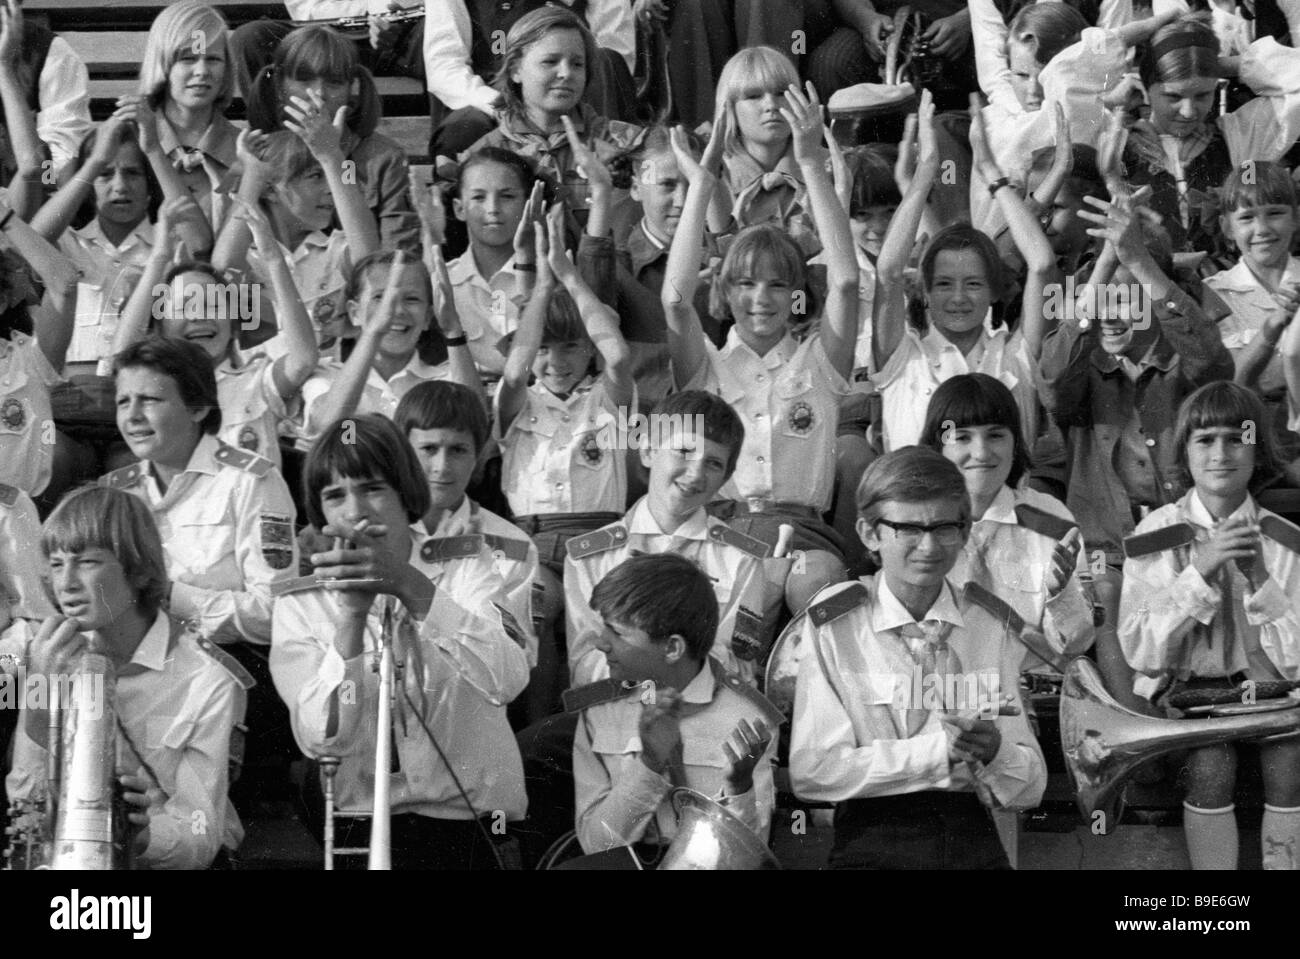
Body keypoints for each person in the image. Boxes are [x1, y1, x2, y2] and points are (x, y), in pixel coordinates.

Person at [271, 413, 528, 869]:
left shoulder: (466, 567)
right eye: (335, 496)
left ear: (405, 494)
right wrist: (350, 621)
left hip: (471, 825)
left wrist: (413, 588)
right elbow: (323, 741)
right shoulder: (302, 604)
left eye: (372, 488)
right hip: (364, 821)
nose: (355, 511)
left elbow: (507, 678)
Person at [790, 446, 1046, 869]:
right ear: (871, 534)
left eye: (944, 527)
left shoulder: (986, 623)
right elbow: (814, 771)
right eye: (908, 528)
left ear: (964, 533)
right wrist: (938, 752)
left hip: (970, 834)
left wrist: (996, 750)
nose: (928, 547)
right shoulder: (836, 623)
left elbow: (1030, 787)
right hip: (873, 835)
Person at [665, 83, 858, 616]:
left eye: (777, 285)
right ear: (724, 292)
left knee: (820, 588)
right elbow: (676, 301)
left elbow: (844, 283)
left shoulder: (819, 360)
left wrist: (811, 163)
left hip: (802, 534)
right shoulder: (707, 365)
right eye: (745, 284)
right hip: (721, 530)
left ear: (796, 295)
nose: (761, 299)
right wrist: (702, 185)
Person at [6, 485, 248, 869]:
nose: (66, 582)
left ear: (138, 570)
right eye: (55, 563)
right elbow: (25, 804)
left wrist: (145, 836)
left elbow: (201, 833)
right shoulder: (49, 657)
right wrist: (39, 690)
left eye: (87, 562)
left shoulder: (207, 680)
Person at [1119, 381, 1300, 870]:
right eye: (1205, 440)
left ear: (1256, 449)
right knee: (1209, 765)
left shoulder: (1284, 539)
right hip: (1192, 693)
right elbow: (1141, 646)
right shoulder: (1156, 533)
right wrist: (1199, 571)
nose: (1221, 453)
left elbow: (1297, 657)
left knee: (1291, 763)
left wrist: (1260, 578)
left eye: (1236, 438)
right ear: (1184, 451)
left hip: (1275, 692)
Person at [872, 93, 1053, 454]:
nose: (958, 298)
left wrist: (992, 175)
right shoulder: (903, 357)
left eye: (973, 284)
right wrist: (923, 175)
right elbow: (888, 272)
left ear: (995, 292)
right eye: (943, 284)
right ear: (924, 292)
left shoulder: (1014, 357)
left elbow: (1042, 264)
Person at [571, 551, 781, 861]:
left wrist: (740, 787)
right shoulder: (599, 711)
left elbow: (748, 854)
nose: (600, 643)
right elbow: (596, 844)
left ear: (672, 647)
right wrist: (650, 765)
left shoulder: (749, 716)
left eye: (617, 633)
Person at [102, 336, 298, 651]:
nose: (133, 415)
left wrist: (171, 596)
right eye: (123, 401)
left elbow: (276, 614)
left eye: (150, 399)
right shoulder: (112, 492)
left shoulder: (251, 481)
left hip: (223, 664)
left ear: (198, 408)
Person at [565, 390, 770, 688]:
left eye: (713, 463)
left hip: (701, 710)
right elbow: (586, 661)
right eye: (684, 452)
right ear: (648, 451)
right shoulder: (590, 556)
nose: (696, 473)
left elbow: (737, 661)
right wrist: (653, 673)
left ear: (726, 479)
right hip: (616, 709)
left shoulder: (739, 559)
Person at [110, 195, 319, 471]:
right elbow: (121, 355)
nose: (200, 316)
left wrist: (273, 259)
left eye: (213, 305)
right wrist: (160, 256)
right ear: (159, 326)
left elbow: (303, 358)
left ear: (234, 324)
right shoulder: (151, 390)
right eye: (185, 306)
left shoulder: (257, 382)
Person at [921, 373, 1095, 670]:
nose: (981, 453)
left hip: (1027, 696)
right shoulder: (916, 523)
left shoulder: (1050, 519)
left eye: (996, 435)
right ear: (937, 446)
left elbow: (1077, 644)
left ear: (1016, 443)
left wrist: (1060, 595)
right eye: (962, 437)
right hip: (942, 691)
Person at [392, 381, 542, 719]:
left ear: (478, 455)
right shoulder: (378, 533)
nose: (442, 467)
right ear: (402, 451)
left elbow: (516, 661)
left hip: (467, 718)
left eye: (458, 450)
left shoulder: (514, 548)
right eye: (428, 449)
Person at [244, 24, 419, 252]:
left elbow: (398, 256)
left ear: (350, 88)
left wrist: (334, 157)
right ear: (279, 85)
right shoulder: (259, 150)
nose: (319, 93)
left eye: (334, 82)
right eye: (304, 80)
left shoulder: (382, 158)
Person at [300, 249, 479, 441]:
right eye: (380, 298)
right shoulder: (327, 377)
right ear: (354, 312)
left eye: (411, 299)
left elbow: (475, 426)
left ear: (427, 317)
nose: (397, 310)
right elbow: (331, 430)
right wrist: (373, 333)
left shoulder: (444, 381)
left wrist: (453, 330)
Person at [1204, 161, 1300, 464]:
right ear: (1226, 227)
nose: (1262, 230)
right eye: (1247, 217)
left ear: (1296, 217)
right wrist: (1272, 331)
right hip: (1247, 445)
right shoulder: (1212, 293)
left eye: (1275, 213)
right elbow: (1228, 383)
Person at [117, 2, 238, 240]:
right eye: (188, 59)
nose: (202, 71)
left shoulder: (243, 149)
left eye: (213, 59)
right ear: (162, 63)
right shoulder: (127, 137)